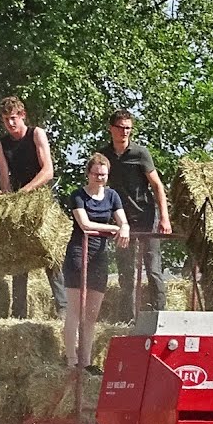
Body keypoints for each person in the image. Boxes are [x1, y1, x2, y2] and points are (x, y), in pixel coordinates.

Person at [0, 96, 68, 318]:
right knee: (19, 258)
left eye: (13, 118)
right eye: (6, 119)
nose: (10, 123)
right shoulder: (2, 145)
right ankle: (19, 314)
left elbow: (48, 171)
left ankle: (63, 310)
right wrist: (9, 202)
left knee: (50, 255)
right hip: (18, 206)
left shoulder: (37, 134)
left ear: (22, 115)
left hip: (42, 201)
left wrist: (24, 192)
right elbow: (5, 180)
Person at [100, 110, 170, 322]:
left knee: (153, 268)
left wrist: (164, 217)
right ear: (111, 128)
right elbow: (99, 187)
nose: (125, 132)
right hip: (122, 220)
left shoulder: (140, 153)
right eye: (121, 127)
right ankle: (127, 320)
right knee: (126, 271)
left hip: (146, 216)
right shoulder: (104, 155)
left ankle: (161, 317)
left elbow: (157, 186)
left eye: (128, 128)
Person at [63, 153, 130, 373]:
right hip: (78, 253)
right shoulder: (78, 195)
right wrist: (114, 229)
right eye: (96, 174)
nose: (100, 178)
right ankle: (71, 359)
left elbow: (123, 221)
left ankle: (86, 361)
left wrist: (124, 228)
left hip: (100, 256)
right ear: (88, 174)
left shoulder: (112, 196)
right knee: (75, 311)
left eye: (103, 174)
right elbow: (85, 224)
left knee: (92, 314)